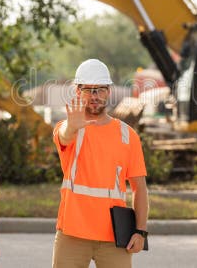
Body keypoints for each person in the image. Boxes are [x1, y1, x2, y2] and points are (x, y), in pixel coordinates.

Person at [52, 59, 149, 268]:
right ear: (78, 92)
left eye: (100, 90)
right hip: (72, 234)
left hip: (114, 237)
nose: (95, 96)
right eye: (88, 90)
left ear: (109, 91)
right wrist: (72, 127)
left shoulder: (127, 135)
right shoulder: (68, 127)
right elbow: (64, 136)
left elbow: (139, 188)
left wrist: (140, 231)